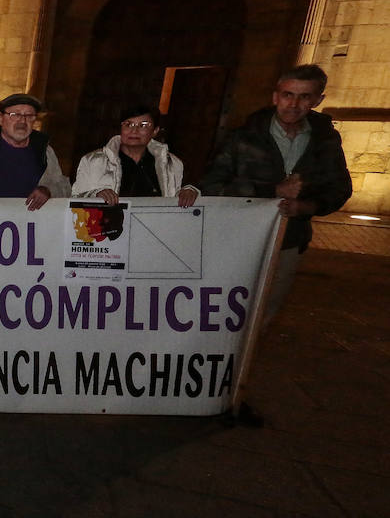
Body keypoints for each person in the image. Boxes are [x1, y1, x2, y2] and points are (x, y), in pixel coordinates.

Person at [200, 64, 351, 324]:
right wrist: (271, 191)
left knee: (266, 312)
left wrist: (305, 207)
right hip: (239, 240)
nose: (294, 104)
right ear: (275, 97)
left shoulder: (325, 140)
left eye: (304, 96)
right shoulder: (245, 137)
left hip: (288, 241)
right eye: (288, 95)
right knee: (222, 311)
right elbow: (211, 186)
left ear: (318, 100)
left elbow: (339, 189)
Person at [73, 104, 199, 207]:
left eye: (143, 125)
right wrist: (97, 194)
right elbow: (74, 199)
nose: (134, 131)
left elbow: (173, 198)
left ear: (155, 131)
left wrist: (188, 192)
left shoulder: (171, 163)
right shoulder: (94, 161)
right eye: (128, 124)